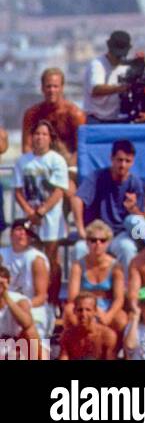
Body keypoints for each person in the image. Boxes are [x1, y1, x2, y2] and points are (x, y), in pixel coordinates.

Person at [71, 137, 145, 275]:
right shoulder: (97, 177)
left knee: (127, 248)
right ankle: (80, 292)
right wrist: (81, 229)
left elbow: (142, 221)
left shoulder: (135, 183)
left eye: (127, 161)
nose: (122, 165)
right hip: (98, 232)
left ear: (132, 162)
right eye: (119, 160)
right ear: (112, 158)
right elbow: (77, 199)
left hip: (122, 234)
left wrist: (133, 209)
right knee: (79, 249)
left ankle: (127, 291)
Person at [12, 118, 69, 301]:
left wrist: (41, 212)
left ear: (50, 138)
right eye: (37, 134)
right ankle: (34, 297)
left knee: (52, 260)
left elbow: (59, 191)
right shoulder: (23, 161)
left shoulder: (57, 160)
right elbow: (18, 191)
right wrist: (30, 212)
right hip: (30, 217)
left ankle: (52, 299)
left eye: (44, 134)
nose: (40, 138)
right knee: (32, 257)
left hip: (51, 218)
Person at [65, 219, 127, 336]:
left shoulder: (115, 267)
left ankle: (112, 350)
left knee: (121, 319)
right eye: (93, 240)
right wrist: (93, 311)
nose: (98, 244)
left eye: (102, 240)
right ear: (87, 242)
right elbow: (73, 297)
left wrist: (108, 316)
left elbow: (119, 298)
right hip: (84, 305)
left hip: (107, 304)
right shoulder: (78, 266)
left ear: (108, 243)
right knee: (69, 311)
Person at [21, 67, 85, 170]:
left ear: (62, 88)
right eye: (48, 86)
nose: (52, 90)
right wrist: (35, 167)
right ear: (42, 88)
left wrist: (66, 169)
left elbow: (81, 149)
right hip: (40, 165)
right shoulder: (32, 114)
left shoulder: (75, 114)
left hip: (69, 165)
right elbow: (27, 146)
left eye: (55, 86)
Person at [5, 221, 53, 348]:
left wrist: (23, 306)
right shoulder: (1, 255)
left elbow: (41, 297)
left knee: (29, 334)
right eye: (19, 230)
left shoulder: (36, 259)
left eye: (27, 232)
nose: (22, 234)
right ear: (11, 234)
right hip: (5, 305)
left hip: (32, 307)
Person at [82, 29, 142, 123]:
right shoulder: (97, 65)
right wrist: (120, 88)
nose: (118, 58)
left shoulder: (126, 67)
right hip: (97, 118)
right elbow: (96, 89)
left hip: (118, 118)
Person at [59, 293, 118, 361]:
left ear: (95, 311)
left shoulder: (107, 335)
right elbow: (63, 357)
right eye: (80, 310)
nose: (83, 314)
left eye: (88, 310)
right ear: (74, 311)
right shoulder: (67, 335)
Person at [0, 262, 41, 357]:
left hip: (16, 342)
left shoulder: (19, 299)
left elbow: (27, 323)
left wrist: (5, 296)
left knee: (30, 331)